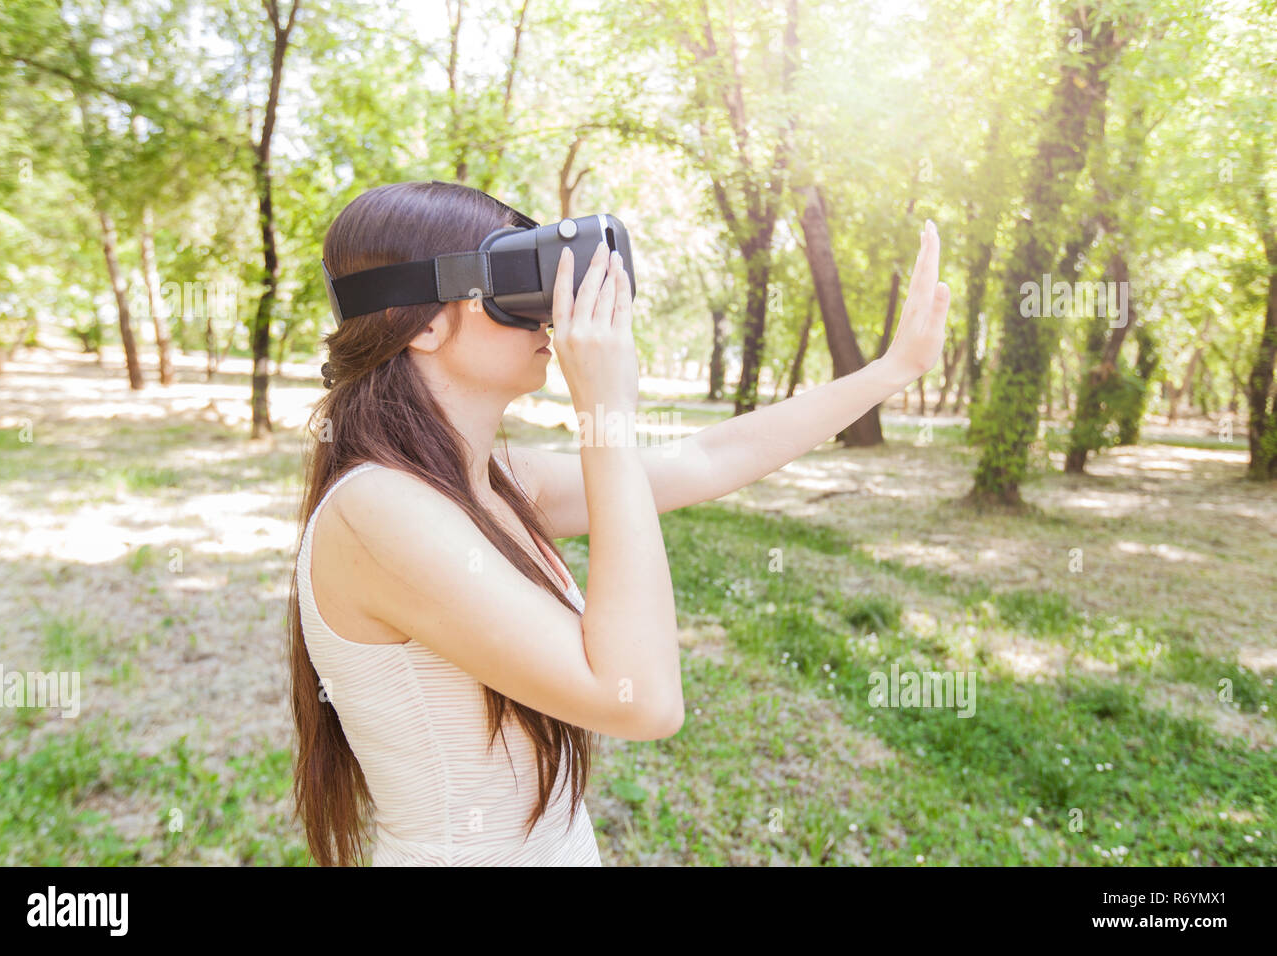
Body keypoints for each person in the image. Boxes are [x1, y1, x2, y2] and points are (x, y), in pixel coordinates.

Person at [288, 180, 950, 866]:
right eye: (513, 278)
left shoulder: (489, 481)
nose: (546, 312)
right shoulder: (379, 510)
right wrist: (605, 411)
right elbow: (643, 702)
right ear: (420, 321)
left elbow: (705, 455)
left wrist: (889, 372)